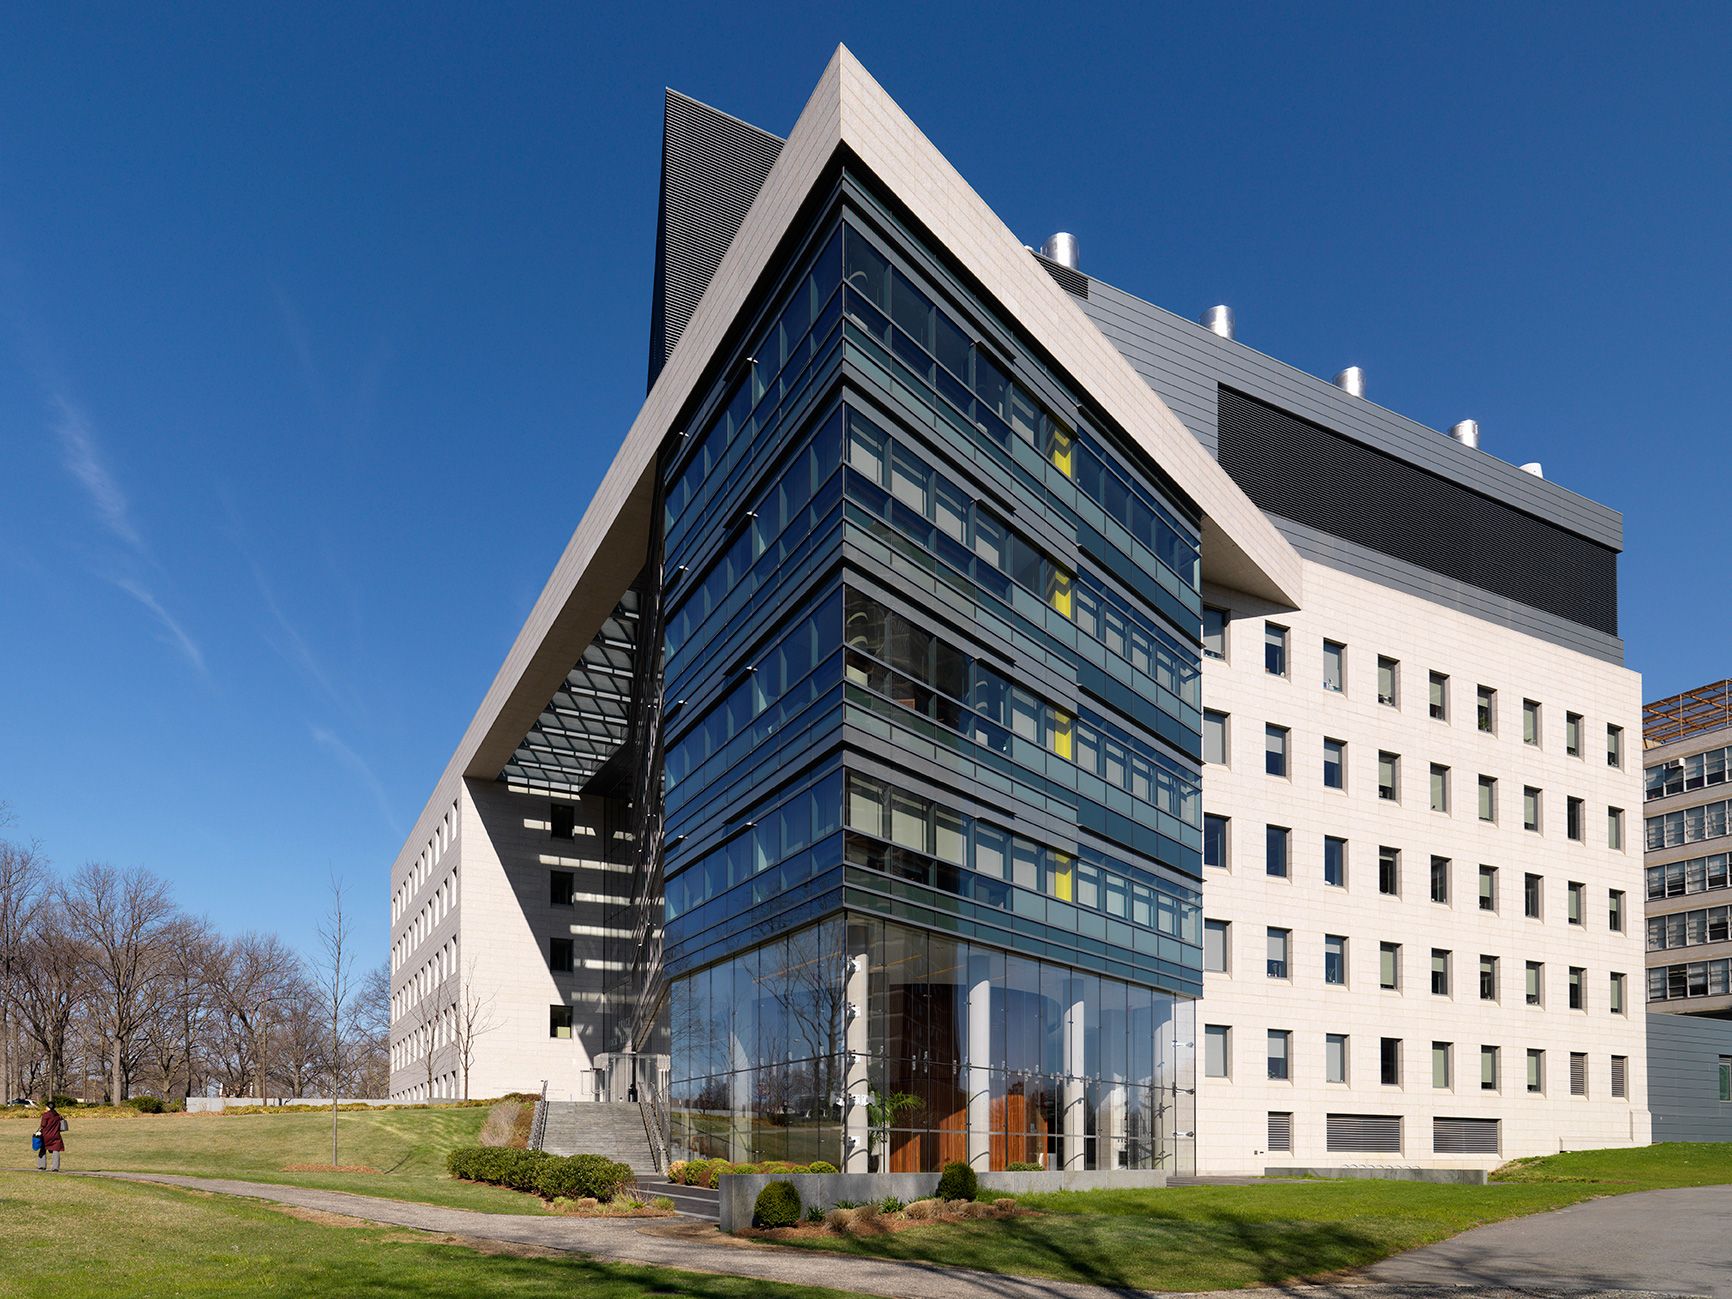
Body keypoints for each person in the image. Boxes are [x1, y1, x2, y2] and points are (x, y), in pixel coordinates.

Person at [36, 1103, 66, 1172]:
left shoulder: (45, 1115)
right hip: (56, 1135)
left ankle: (41, 1166)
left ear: (48, 1107)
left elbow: (43, 1125)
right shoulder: (58, 1115)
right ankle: (55, 1167)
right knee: (56, 1150)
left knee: (43, 1149)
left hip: (45, 1135)